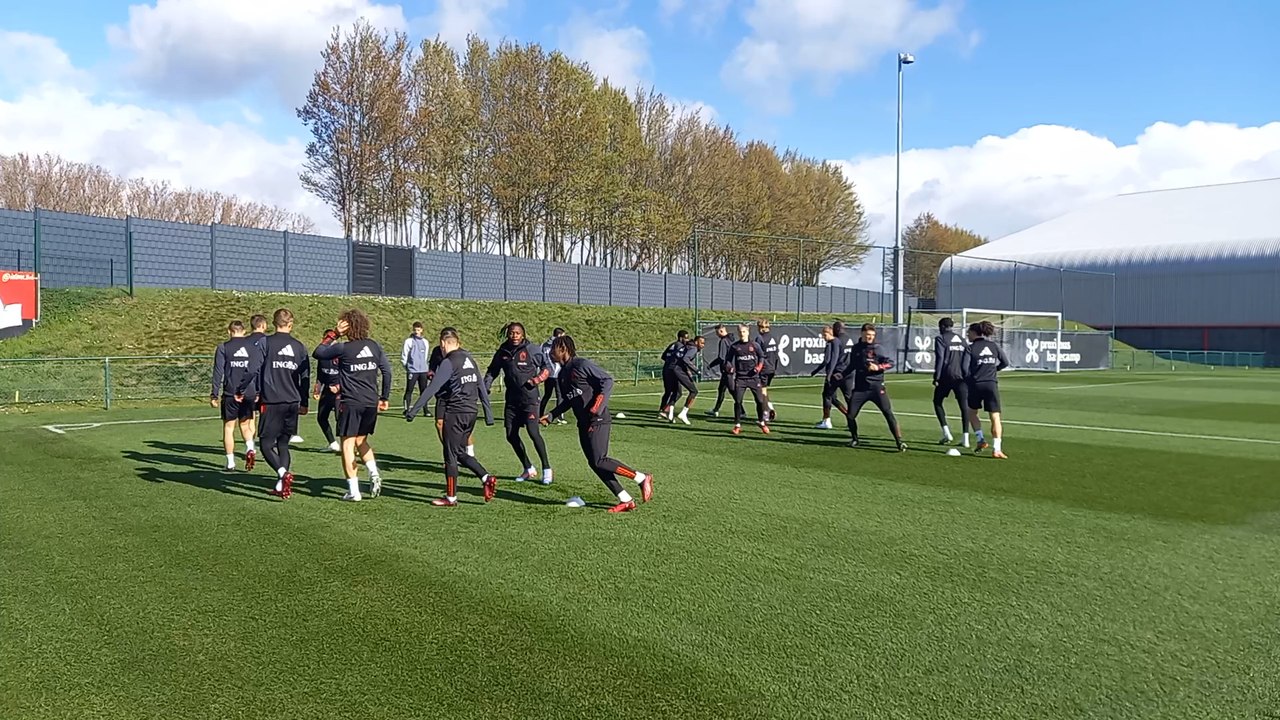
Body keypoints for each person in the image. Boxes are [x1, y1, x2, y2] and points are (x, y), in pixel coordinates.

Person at [541, 335, 654, 513]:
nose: (549, 352)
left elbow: (607, 380)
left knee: (600, 460)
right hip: (583, 422)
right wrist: (551, 415)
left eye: (553, 348)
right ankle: (626, 499)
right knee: (595, 463)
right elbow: (569, 400)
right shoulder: (562, 375)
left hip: (598, 419)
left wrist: (598, 404)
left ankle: (641, 478)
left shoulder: (581, 364)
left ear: (563, 349)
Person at [406, 328, 498, 506]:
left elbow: (432, 388)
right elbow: (480, 385)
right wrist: (488, 414)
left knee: (450, 456)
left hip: (455, 412)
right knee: (459, 452)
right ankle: (486, 478)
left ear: (443, 344)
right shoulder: (469, 358)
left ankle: (451, 498)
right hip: (471, 412)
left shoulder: (449, 362)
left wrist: (413, 410)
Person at [312, 309, 393, 502]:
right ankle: (373, 472)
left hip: (351, 402)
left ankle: (353, 491)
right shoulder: (374, 346)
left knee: (347, 444)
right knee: (361, 440)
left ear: (348, 326)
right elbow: (387, 372)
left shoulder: (343, 348)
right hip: (370, 401)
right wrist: (384, 397)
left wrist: (334, 333)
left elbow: (318, 352)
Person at [485, 322, 554, 485]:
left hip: (530, 400)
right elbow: (492, 370)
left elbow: (547, 368)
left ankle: (547, 468)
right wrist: (486, 384)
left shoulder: (531, 350)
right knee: (510, 435)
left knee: (533, 432)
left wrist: (537, 380)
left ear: (522, 335)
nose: (514, 336)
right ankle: (528, 468)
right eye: (511, 333)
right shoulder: (503, 351)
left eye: (517, 333)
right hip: (512, 400)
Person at [257, 309, 311, 499]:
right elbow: (305, 377)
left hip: (272, 400)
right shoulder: (299, 347)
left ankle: (283, 474)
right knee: (283, 444)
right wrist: (304, 401)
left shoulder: (265, 343)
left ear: (273, 323)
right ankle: (281, 486)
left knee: (265, 444)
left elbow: (255, 369)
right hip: (293, 401)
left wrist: (254, 391)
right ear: (291, 324)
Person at [834, 323, 906, 452]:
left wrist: (878, 367)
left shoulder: (878, 348)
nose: (870, 337)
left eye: (872, 335)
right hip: (860, 388)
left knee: (888, 413)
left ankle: (899, 442)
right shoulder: (856, 348)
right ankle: (855, 439)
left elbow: (890, 363)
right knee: (850, 415)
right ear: (862, 334)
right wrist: (841, 375)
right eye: (868, 335)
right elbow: (852, 366)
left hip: (877, 388)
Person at [210, 320, 262, 471]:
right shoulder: (252, 347)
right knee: (245, 424)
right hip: (249, 392)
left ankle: (230, 462)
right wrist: (258, 391)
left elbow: (218, 372)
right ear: (244, 331)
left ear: (229, 331)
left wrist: (214, 394)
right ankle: (250, 448)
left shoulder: (223, 347)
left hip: (231, 392)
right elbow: (257, 370)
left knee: (229, 427)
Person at [964, 320, 1010, 458]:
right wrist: (994, 370)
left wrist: (969, 380)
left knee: (972, 413)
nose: (967, 335)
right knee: (995, 416)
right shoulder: (993, 346)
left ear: (974, 333)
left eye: (969, 332)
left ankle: (980, 439)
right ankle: (997, 449)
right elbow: (1005, 362)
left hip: (975, 384)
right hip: (991, 384)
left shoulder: (970, 348)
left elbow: (964, 369)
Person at [932, 317, 971, 447]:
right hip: (961, 377)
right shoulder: (962, 340)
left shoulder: (941, 338)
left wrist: (936, 377)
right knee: (964, 406)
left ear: (942, 326)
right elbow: (967, 359)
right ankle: (966, 439)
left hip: (946, 376)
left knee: (937, 402)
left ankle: (946, 433)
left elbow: (940, 358)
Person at [725, 324, 770, 436]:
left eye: (744, 331)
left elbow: (761, 357)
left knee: (760, 401)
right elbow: (728, 360)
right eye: (740, 332)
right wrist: (730, 367)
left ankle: (761, 422)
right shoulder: (734, 346)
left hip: (754, 378)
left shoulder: (754, 345)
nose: (742, 334)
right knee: (738, 401)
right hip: (740, 378)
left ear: (748, 332)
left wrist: (759, 367)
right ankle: (737, 425)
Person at [809, 325, 847, 429]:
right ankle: (848, 416)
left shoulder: (833, 343)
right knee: (832, 398)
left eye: (824, 334)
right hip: (840, 373)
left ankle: (827, 421)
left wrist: (828, 375)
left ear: (830, 333)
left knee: (826, 396)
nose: (823, 337)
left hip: (834, 374)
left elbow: (830, 360)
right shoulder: (836, 342)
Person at [660, 335, 704, 425]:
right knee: (694, 391)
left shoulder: (686, 346)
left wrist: (687, 371)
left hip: (670, 368)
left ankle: (669, 412)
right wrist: (696, 370)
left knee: (677, 392)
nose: (703, 345)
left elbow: (676, 357)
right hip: (677, 370)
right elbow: (685, 359)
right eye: (702, 343)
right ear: (696, 342)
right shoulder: (693, 348)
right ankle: (683, 413)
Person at [246, 314, 270, 443]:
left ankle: (251, 444)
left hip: (249, 384)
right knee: (266, 414)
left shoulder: (244, 341)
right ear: (264, 325)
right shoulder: (269, 341)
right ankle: (267, 442)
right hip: (266, 383)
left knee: (250, 416)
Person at [313, 352, 341, 453]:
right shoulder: (323, 358)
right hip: (327, 391)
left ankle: (350, 445)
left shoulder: (342, 356)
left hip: (341, 392)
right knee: (321, 417)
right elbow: (320, 376)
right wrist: (317, 389)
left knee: (340, 419)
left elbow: (349, 375)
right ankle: (333, 444)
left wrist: (339, 387)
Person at [658, 330, 689, 419]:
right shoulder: (681, 346)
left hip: (666, 369)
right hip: (674, 371)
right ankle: (665, 410)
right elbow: (681, 359)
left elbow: (663, 356)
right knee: (678, 392)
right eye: (686, 338)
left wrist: (669, 361)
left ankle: (661, 410)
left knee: (668, 392)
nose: (687, 340)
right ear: (681, 338)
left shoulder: (672, 344)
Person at [401, 321, 430, 413]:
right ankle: (406, 409)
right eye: (415, 330)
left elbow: (425, 356)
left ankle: (425, 409)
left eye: (418, 330)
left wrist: (424, 366)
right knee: (409, 390)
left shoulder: (425, 342)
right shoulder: (409, 341)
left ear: (421, 330)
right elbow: (404, 355)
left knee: (424, 391)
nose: (416, 332)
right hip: (412, 371)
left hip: (423, 370)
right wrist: (408, 367)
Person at [539, 327, 567, 423]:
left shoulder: (544, 345)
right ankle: (560, 417)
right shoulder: (558, 344)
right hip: (557, 373)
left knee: (547, 395)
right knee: (560, 396)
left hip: (547, 374)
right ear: (559, 335)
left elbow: (540, 358)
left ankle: (540, 414)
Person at [705, 325, 733, 417]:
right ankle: (716, 410)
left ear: (721, 331)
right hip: (731, 368)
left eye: (717, 333)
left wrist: (711, 365)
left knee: (732, 391)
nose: (717, 335)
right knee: (722, 390)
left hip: (726, 370)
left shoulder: (723, 341)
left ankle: (741, 412)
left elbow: (721, 357)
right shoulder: (731, 339)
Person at [754, 319, 778, 421]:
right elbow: (776, 355)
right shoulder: (773, 338)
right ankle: (769, 408)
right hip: (772, 368)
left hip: (763, 368)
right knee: (764, 390)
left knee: (761, 392)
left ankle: (766, 414)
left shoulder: (759, 338)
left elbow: (756, 354)